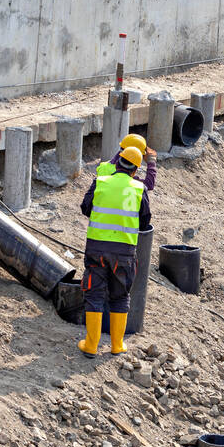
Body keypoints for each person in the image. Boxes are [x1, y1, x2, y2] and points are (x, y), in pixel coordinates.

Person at [76, 144, 153, 357]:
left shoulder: (100, 182)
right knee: (120, 295)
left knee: (94, 293)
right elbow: (145, 222)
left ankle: (91, 345)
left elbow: (85, 207)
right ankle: (117, 345)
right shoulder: (139, 189)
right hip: (125, 253)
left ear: (117, 162)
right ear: (136, 170)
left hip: (97, 249)